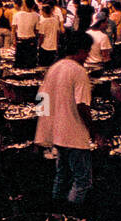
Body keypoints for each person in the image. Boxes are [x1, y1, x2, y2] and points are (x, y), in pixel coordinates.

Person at [38, 33, 95, 209]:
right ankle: (71, 215)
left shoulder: (55, 68)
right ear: (81, 51)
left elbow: (42, 100)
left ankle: (55, 213)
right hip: (75, 135)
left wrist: (44, 130)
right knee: (83, 180)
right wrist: (94, 131)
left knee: (62, 175)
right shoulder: (79, 71)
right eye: (87, 52)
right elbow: (82, 106)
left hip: (57, 134)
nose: (87, 56)